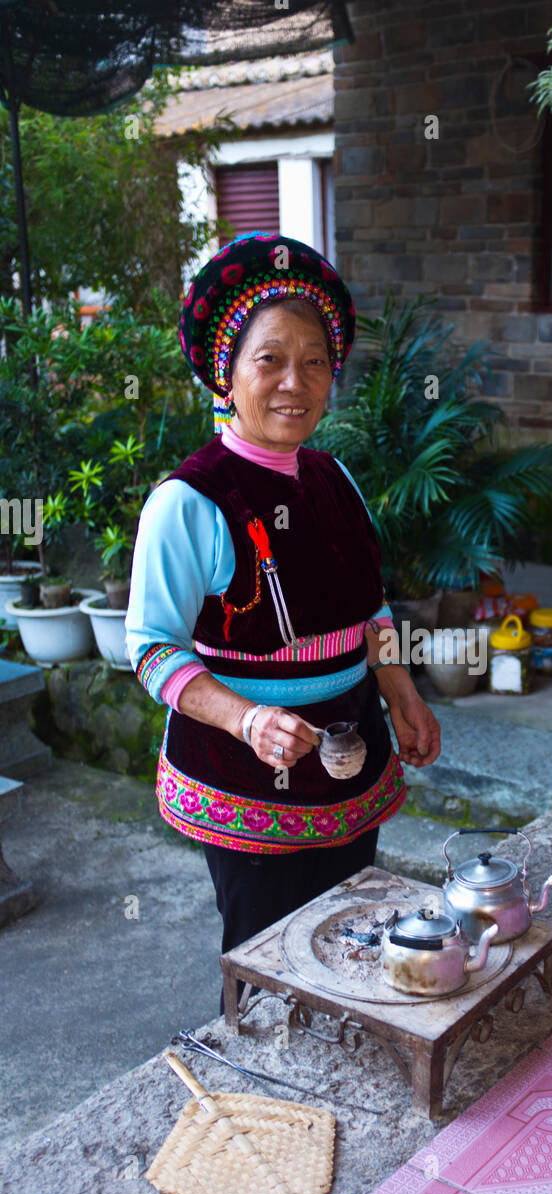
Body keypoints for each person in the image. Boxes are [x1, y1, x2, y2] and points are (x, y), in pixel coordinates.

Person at [125, 230, 441, 1007]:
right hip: (246, 778)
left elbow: (371, 607)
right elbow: (152, 651)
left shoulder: (334, 479)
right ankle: (254, 1104)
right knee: (267, 958)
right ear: (227, 375)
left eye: (315, 361)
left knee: (348, 936)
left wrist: (400, 694)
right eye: (270, 359)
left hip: (349, 753)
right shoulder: (189, 502)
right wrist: (247, 720)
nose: (294, 381)